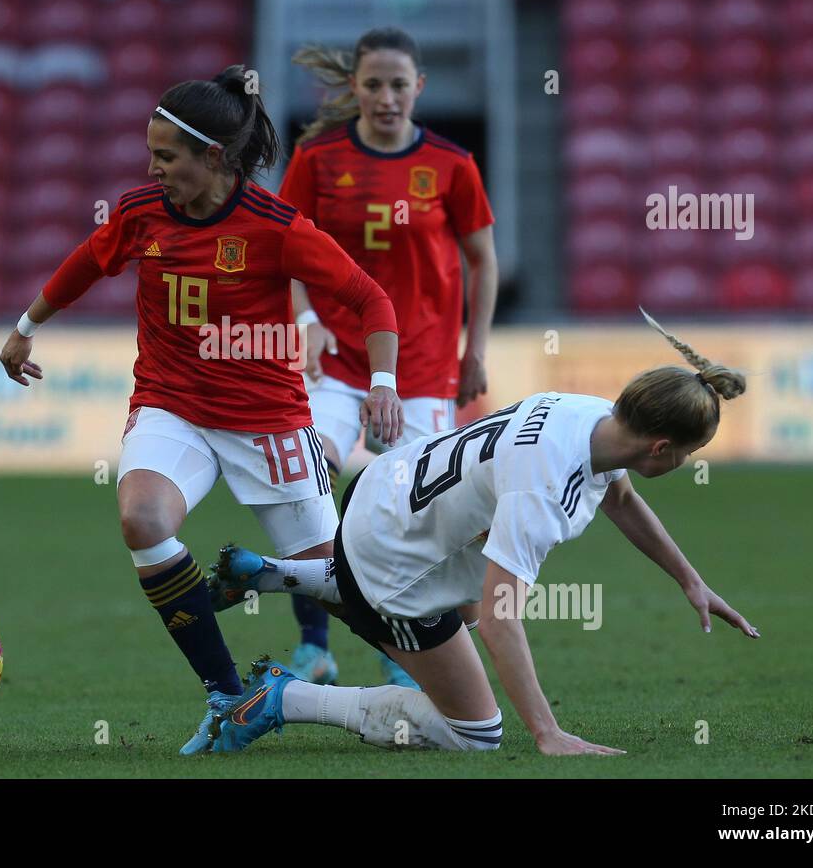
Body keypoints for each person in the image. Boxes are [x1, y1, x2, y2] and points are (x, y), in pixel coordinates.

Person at [0, 66, 403, 754]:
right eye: (150, 155)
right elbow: (86, 264)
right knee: (142, 519)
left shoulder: (277, 228)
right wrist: (25, 327)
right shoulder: (140, 213)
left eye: (165, 157)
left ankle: (435, 668)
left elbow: (372, 300)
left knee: (341, 586)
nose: (153, 170)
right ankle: (229, 698)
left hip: (267, 423)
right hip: (171, 406)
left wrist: (383, 381)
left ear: (213, 157)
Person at [206, 311, 761, 755]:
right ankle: (287, 697)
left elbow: (620, 496)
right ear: (661, 447)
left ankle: (283, 575)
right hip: (390, 568)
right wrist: (548, 733)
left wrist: (690, 580)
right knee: (476, 732)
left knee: (468, 605)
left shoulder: (591, 416)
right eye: (690, 453)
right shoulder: (543, 488)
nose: (687, 462)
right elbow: (501, 620)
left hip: (379, 490)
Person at [274, 27, 499, 687]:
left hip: (426, 367)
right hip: (338, 361)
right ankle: (315, 648)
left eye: (399, 84)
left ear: (419, 88)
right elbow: (287, 251)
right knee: (306, 482)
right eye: (372, 83)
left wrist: (474, 351)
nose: (386, 96)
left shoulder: (453, 166)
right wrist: (307, 319)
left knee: (420, 510)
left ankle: (401, 645)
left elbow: (483, 262)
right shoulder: (317, 160)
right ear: (354, 88)